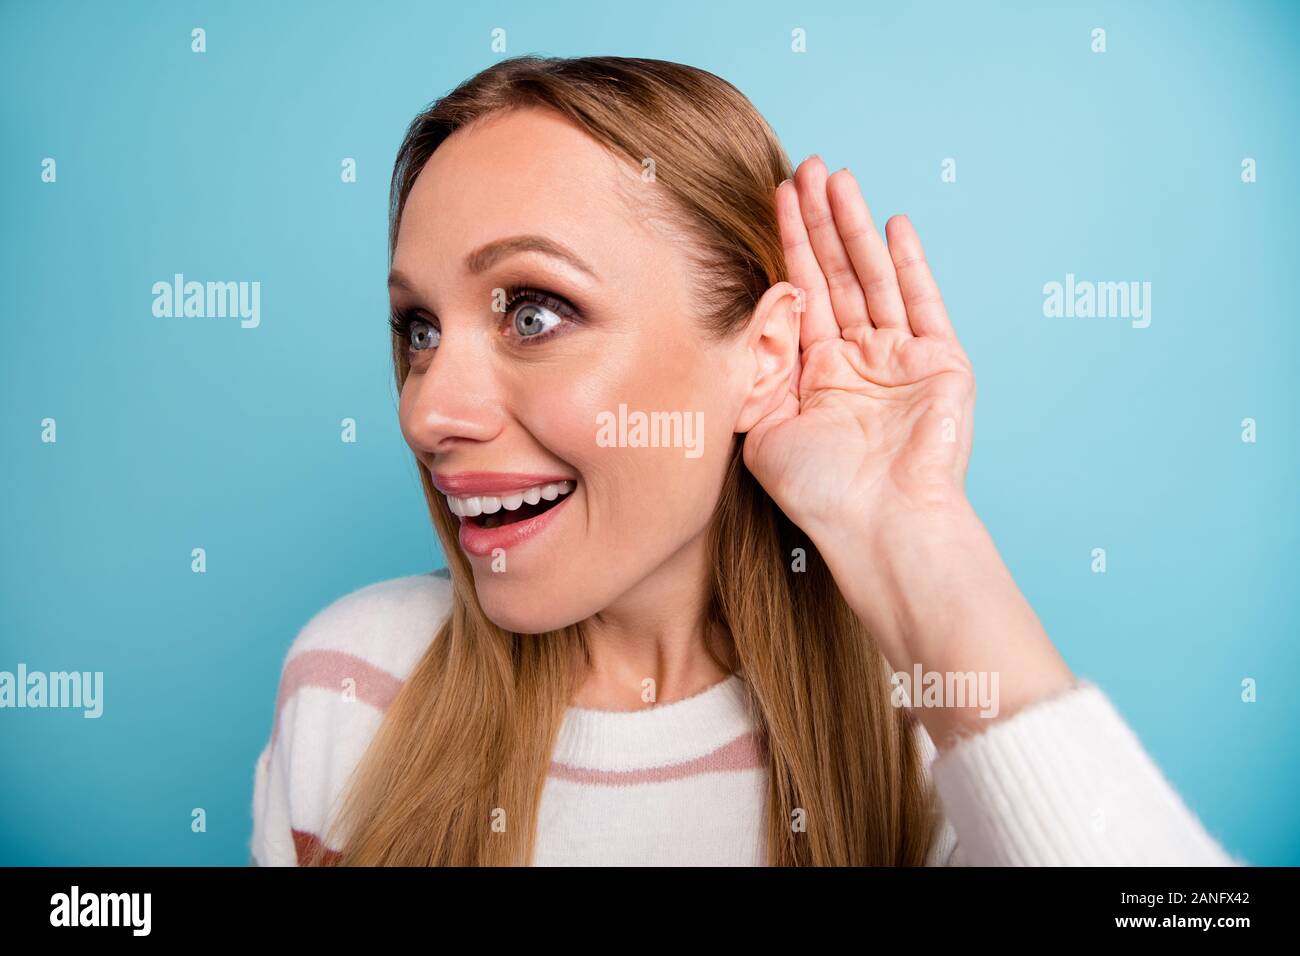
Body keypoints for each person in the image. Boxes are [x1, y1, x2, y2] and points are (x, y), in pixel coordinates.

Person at [250, 55, 1239, 866]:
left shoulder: (942, 737)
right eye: (417, 328)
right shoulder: (352, 685)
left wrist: (911, 532)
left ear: (762, 357)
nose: (429, 410)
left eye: (532, 309)